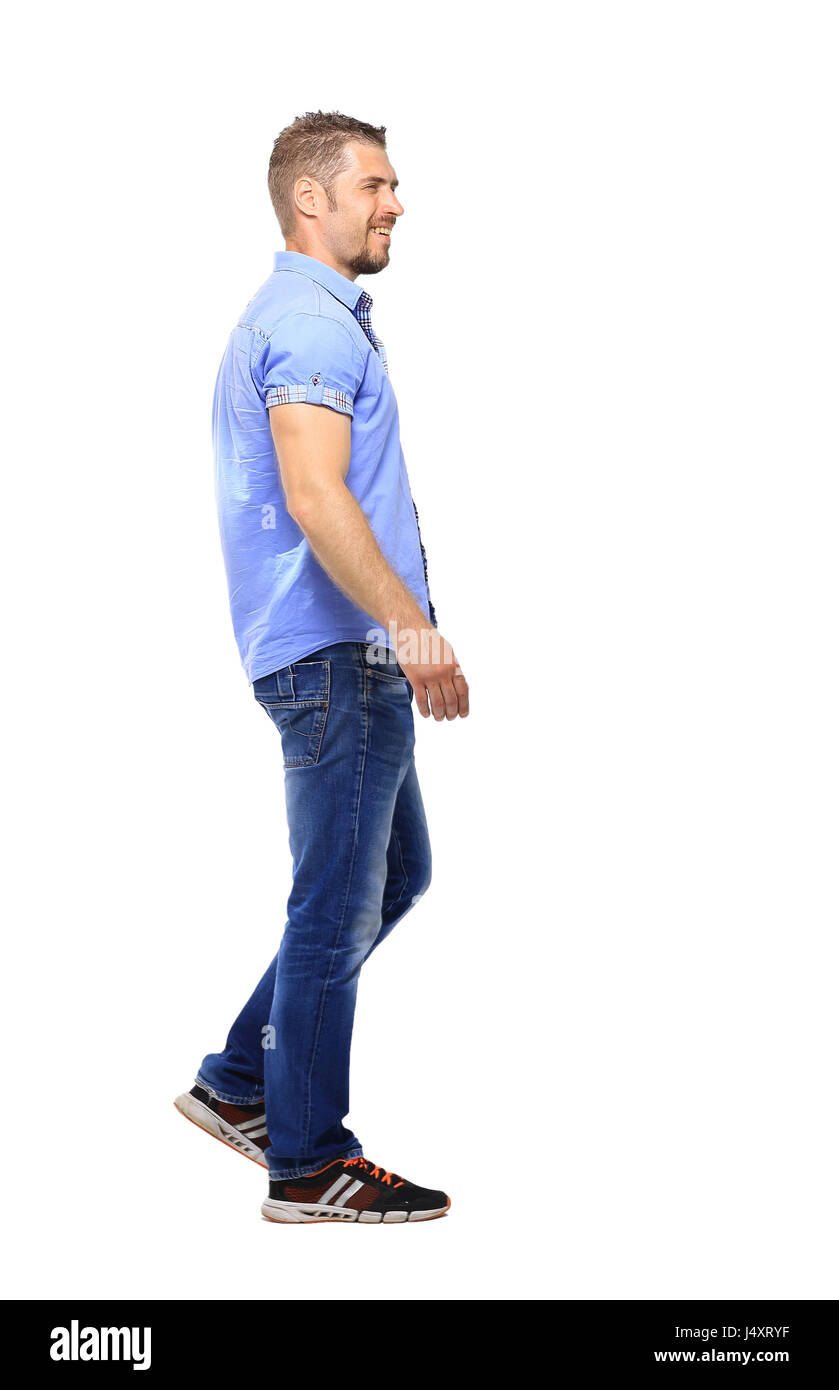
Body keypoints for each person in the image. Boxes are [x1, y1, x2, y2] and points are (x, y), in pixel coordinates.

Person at [175, 110, 469, 1224]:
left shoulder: (305, 317)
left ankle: (241, 1080)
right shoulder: (307, 320)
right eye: (375, 185)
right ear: (312, 198)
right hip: (337, 655)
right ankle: (307, 1161)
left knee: (386, 880)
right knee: (332, 904)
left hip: (335, 653)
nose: (394, 204)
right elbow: (313, 494)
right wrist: (409, 626)